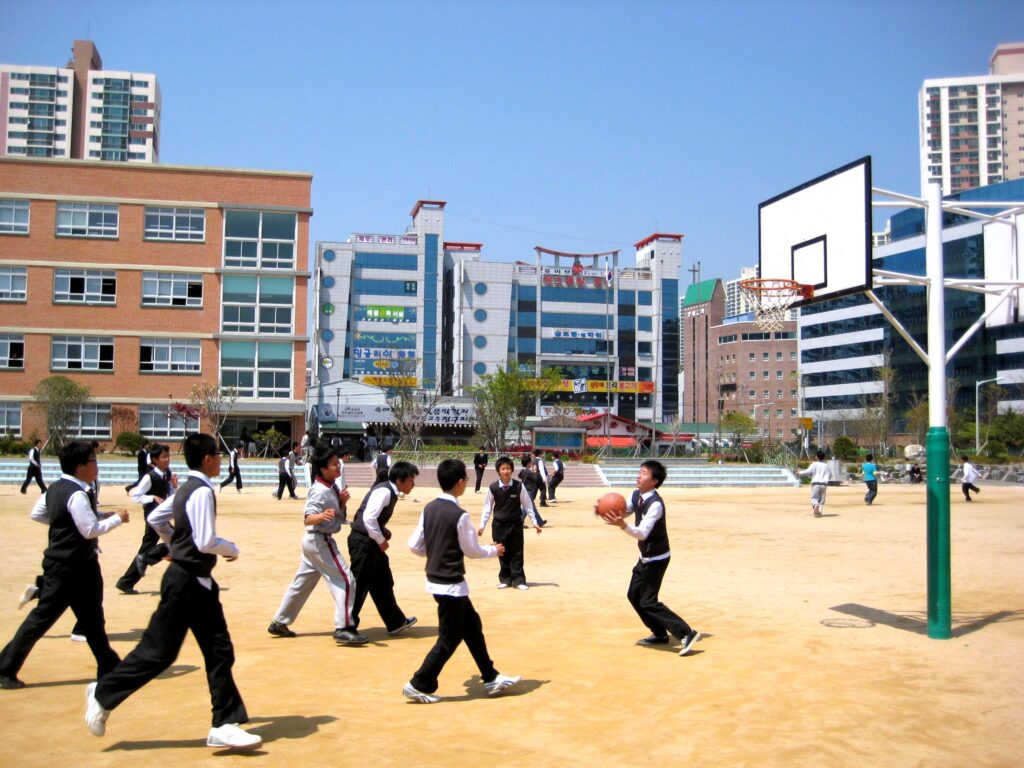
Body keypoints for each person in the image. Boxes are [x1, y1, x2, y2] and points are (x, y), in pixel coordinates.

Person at [84, 432, 262, 750]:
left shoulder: (185, 488)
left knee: (220, 651)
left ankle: (224, 723)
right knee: (159, 653)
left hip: (197, 582)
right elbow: (205, 540)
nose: (221, 460)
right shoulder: (201, 491)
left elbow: (156, 518)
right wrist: (231, 548)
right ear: (207, 459)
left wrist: (173, 543)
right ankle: (103, 693)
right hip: (186, 583)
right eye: (218, 455)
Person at [0, 441, 129, 690]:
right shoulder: (78, 494)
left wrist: (71, 522)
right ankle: (4, 667)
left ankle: (108, 665)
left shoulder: (56, 488)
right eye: (93, 460)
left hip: (76, 565)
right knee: (42, 619)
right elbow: (90, 530)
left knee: (92, 619)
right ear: (80, 466)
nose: (96, 465)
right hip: (69, 568)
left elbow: (38, 514)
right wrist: (117, 519)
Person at [402, 458, 521, 703]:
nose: (466, 482)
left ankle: (490, 677)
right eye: (466, 479)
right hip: (450, 584)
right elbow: (472, 550)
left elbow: (414, 545)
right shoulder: (459, 515)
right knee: (450, 637)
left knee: (472, 627)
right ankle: (418, 683)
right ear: (459, 482)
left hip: (438, 580)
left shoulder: (429, 508)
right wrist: (494, 550)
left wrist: (435, 551)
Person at [595, 459, 701, 657]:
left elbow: (642, 533)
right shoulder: (636, 495)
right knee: (633, 595)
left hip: (657, 559)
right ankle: (659, 633)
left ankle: (687, 633)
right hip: (644, 557)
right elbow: (625, 510)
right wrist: (607, 511)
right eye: (639, 472)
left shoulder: (656, 505)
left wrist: (622, 525)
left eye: (644, 473)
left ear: (654, 481)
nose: (638, 476)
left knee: (648, 602)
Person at [268, 443, 367, 646]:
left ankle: (280, 621)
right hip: (319, 540)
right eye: (334, 464)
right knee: (346, 580)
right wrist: (321, 516)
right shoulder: (319, 490)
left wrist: (341, 502)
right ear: (322, 469)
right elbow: (307, 518)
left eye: (338, 463)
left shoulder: (330, 486)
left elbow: (335, 514)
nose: (338, 466)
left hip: (313, 541)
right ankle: (343, 627)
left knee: (302, 583)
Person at [346, 460, 420, 636]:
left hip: (369, 542)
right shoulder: (385, 492)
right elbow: (368, 519)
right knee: (359, 584)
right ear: (399, 480)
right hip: (363, 543)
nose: (413, 485)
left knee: (383, 581)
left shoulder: (389, 491)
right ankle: (346, 626)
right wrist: (380, 539)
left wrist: (383, 532)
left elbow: (372, 518)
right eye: (411, 480)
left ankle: (395, 622)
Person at [115, 444, 178, 595]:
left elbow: (169, 495)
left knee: (150, 546)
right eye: (164, 457)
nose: (168, 459)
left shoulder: (168, 474)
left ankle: (126, 581)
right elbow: (135, 496)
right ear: (155, 460)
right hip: (152, 516)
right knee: (177, 541)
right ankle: (143, 561)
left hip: (161, 515)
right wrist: (152, 497)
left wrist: (174, 486)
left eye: (168, 456)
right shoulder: (149, 477)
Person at [478, 456, 542, 590]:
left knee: (517, 552)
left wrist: (534, 522)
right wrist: (482, 525)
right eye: (503, 469)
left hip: (515, 525)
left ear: (512, 470)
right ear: (498, 471)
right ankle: (505, 579)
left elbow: (528, 504)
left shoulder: (519, 486)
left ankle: (518, 580)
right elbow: (487, 507)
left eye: (508, 468)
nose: (506, 471)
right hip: (499, 526)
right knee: (502, 552)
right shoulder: (493, 488)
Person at [798, 451, 832, 517]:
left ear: (816, 457)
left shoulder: (814, 464)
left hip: (816, 483)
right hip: (824, 484)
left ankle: (816, 506)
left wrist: (800, 473)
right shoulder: (826, 466)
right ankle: (820, 511)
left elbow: (808, 471)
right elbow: (830, 475)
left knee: (814, 498)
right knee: (822, 499)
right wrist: (826, 478)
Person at [517, 456, 548, 526]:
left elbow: (519, 476)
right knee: (527, 506)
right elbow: (534, 479)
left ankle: (539, 522)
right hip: (529, 490)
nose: (531, 464)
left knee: (532, 506)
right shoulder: (528, 471)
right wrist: (534, 474)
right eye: (530, 462)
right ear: (528, 463)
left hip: (525, 489)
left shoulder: (523, 470)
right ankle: (519, 522)